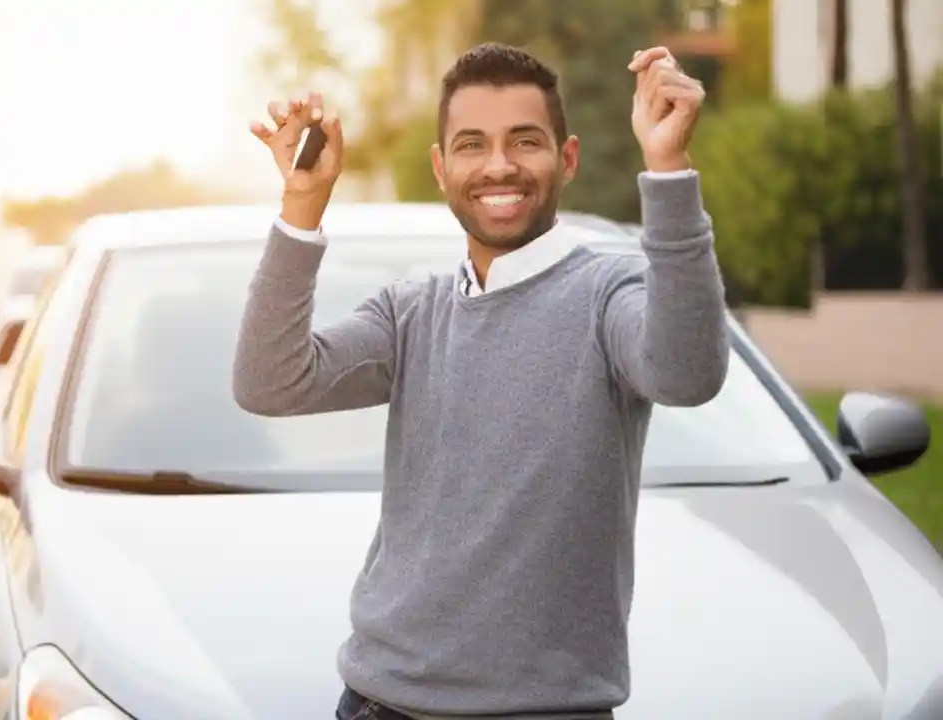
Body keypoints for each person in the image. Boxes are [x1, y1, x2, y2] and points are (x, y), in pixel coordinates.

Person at [234, 42, 730, 720]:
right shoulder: (410, 313)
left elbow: (687, 373)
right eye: (472, 145)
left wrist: (668, 166)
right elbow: (269, 381)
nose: (499, 165)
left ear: (568, 159)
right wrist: (302, 204)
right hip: (378, 703)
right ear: (442, 169)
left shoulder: (608, 294)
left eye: (525, 141)